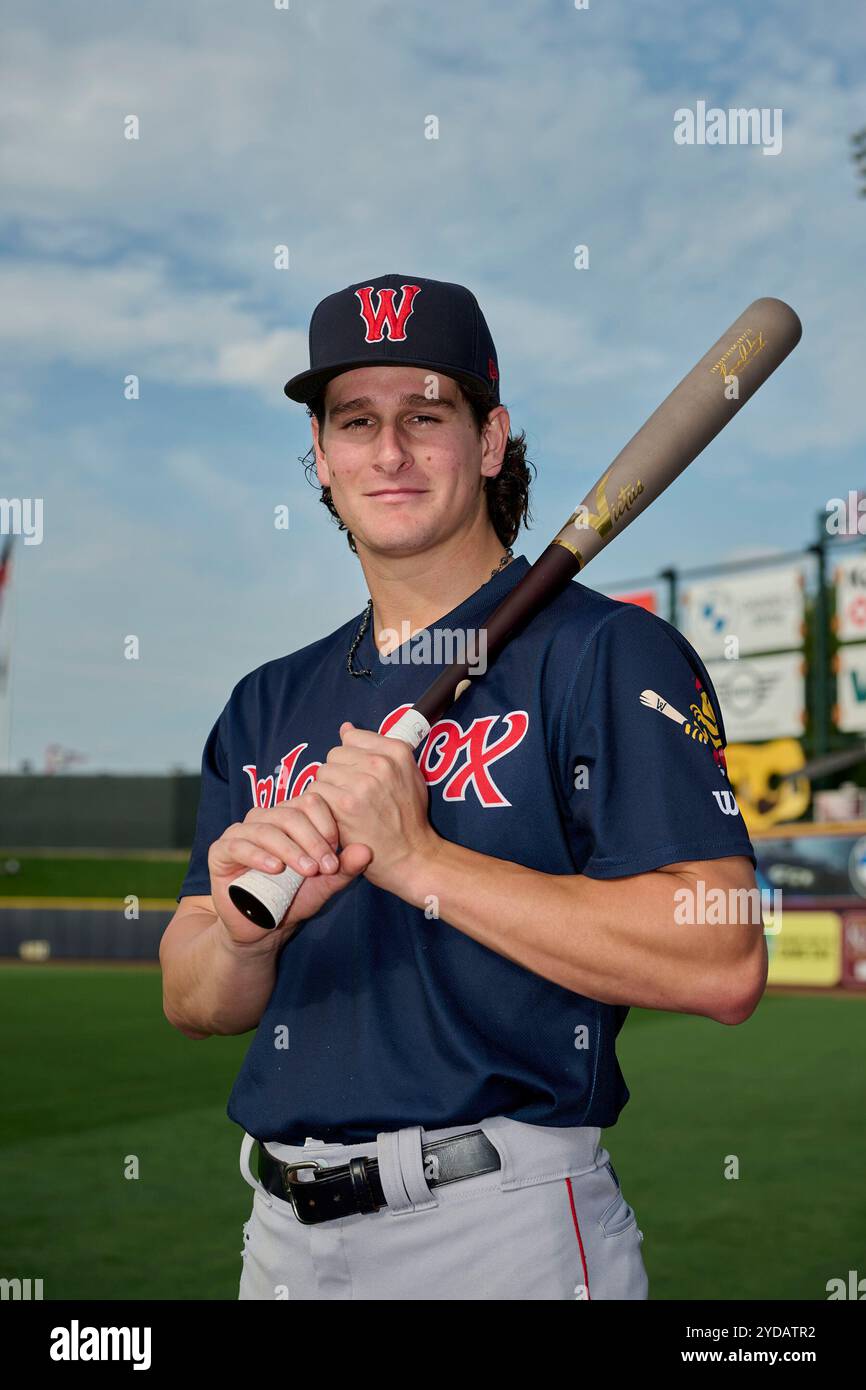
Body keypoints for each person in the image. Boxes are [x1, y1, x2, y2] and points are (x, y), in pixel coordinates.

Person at [160, 272, 765, 1301]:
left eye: (424, 414)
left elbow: (720, 958)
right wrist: (243, 934)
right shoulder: (266, 701)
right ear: (320, 455)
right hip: (278, 1237)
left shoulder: (606, 652)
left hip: (495, 1228)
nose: (387, 452)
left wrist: (417, 860)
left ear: (488, 441)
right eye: (354, 420)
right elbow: (191, 997)